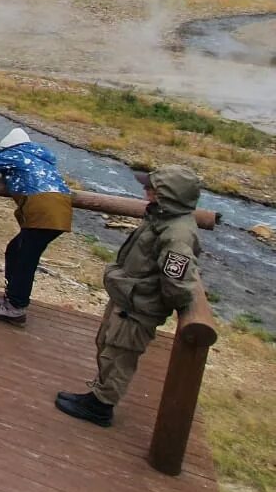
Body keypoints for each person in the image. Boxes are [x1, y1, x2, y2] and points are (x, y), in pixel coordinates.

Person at [56, 165, 203, 427]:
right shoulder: (162, 218)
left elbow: (176, 282)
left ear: (168, 194)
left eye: (152, 187)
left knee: (120, 354)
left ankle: (101, 406)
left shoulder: (177, 233)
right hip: (130, 298)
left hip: (139, 307)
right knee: (108, 345)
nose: (145, 189)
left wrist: (152, 301)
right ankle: (98, 395)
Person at [0, 127, 73, 325]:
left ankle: (16, 307)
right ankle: (11, 297)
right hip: (61, 207)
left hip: (42, 210)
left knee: (25, 259)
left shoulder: (15, 154)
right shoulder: (42, 157)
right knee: (16, 250)